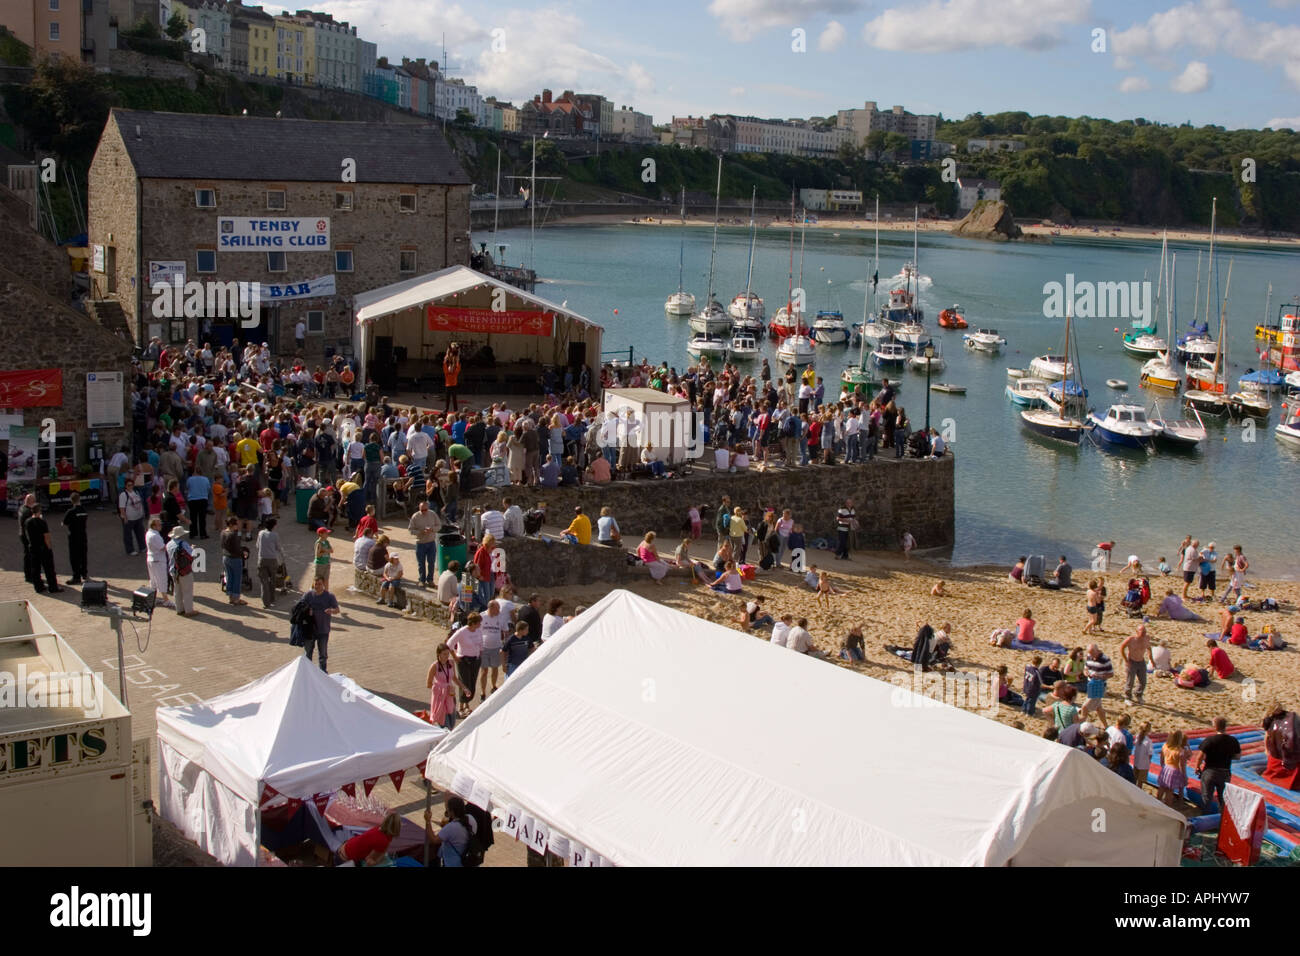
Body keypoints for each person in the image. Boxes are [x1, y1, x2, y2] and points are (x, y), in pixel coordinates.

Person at [1195, 717, 1242, 814]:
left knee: (1206, 797)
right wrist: (1227, 756)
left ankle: (1205, 819)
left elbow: (1200, 756)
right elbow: (1237, 757)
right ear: (1225, 726)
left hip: (1210, 771)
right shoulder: (1233, 741)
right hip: (1224, 772)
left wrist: (1197, 766)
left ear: (1215, 727)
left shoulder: (1209, 740)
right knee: (1223, 798)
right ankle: (1221, 821)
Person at [300, 576, 340, 672]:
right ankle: (308, 672)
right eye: (315, 584)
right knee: (308, 653)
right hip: (310, 630)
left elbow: (337, 610)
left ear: (324, 585)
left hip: (323, 630)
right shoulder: (308, 595)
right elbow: (299, 607)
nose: (317, 586)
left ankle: (322, 673)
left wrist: (331, 610)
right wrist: (306, 611)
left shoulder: (330, 596)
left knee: (323, 654)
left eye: (319, 584)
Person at [425, 796, 478, 868]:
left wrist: (428, 821)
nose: (447, 813)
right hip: (468, 861)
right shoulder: (471, 819)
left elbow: (434, 840)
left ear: (452, 812)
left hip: (453, 863)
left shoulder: (451, 828)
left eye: (448, 810)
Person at [448, 612, 484, 717]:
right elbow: (449, 644)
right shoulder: (462, 632)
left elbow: (481, 643)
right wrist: (455, 657)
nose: (480, 625)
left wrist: (480, 654)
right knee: (465, 682)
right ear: (473, 623)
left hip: (475, 659)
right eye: (478, 623)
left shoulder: (478, 631)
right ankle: (461, 705)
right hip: (464, 660)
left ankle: (467, 703)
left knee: (472, 683)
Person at [427, 642, 469, 730]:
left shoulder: (451, 663)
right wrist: (440, 688)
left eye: (448, 654)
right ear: (439, 654)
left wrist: (464, 688)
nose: (447, 656)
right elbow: (429, 684)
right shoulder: (434, 666)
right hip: (440, 698)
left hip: (450, 695)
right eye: (444, 654)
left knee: (452, 721)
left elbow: (454, 677)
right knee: (444, 724)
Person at [24, 504, 62, 594]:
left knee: (35, 568)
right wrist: (49, 548)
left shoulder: (27, 521)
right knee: (49, 568)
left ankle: (38, 587)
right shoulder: (42, 522)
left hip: (33, 547)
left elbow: (26, 535)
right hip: (43, 548)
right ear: (39, 511)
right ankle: (53, 587)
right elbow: (46, 536)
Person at [408, 500, 441, 587]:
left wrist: (432, 529)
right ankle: (421, 580)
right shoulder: (415, 516)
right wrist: (420, 532)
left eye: (425, 510)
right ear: (419, 509)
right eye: (422, 510)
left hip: (431, 543)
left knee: (431, 562)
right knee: (421, 563)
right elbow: (411, 530)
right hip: (420, 543)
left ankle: (430, 580)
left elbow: (439, 526)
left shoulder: (432, 514)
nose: (424, 512)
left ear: (428, 508)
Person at [166, 526, 197, 616]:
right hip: (184, 570)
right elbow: (192, 554)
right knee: (187, 591)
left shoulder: (168, 544)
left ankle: (179, 609)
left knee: (177, 590)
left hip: (173, 571)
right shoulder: (183, 544)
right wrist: (193, 548)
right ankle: (189, 610)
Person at [1118, 623, 1152, 705]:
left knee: (1143, 681)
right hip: (1132, 661)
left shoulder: (1146, 639)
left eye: (1145, 631)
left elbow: (1149, 648)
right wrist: (1126, 660)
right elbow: (1122, 647)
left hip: (1141, 661)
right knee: (1130, 681)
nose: (1144, 633)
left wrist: (1151, 659)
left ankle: (1138, 694)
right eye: (1142, 631)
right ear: (1137, 631)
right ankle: (1127, 697)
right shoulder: (1131, 639)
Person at [478, 601, 506, 699]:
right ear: (491, 608)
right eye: (497, 608)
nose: (499, 611)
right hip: (484, 648)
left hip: (496, 647)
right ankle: (483, 692)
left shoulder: (500, 617)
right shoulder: (481, 616)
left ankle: (493, 686)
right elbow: (477, 631)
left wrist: (504, 644)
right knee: (484, 671)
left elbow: (505, 630)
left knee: (495, 668)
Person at [61, 492, 89, 585]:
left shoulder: (71, 511)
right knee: (83, 555)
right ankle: (84, 574)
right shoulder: (84, 510)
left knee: (74, 557)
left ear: (71, 501)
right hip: (83, 535)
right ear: (79, 499)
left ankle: (76, 577)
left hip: (74, 536)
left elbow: (64, 523)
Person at [256, 518, 284, 609]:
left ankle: (266, 601)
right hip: (272, 559)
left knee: (264, 581)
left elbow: (257, 545)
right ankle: (272, 597)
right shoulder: (275, 535)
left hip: (262, 559)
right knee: (272, 579)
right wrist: (282, 554)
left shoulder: (261, 533)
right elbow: (278, 547)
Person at [1082, 643, 1112, 726]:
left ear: (1097, 651)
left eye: (1092, 653)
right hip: (1090, 684)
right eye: (1090, 653)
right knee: (1099, 707)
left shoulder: (1105, 659)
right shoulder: (1088, 656)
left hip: (1100, 685)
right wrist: (1086, 673)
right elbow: (1086, 668)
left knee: (1084, 707)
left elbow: (1111, 674)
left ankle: (1080, 725)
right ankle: (1106, 725)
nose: (1091, 655)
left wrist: (1100, 676)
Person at [1156, 729, 1189, 806]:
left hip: (1166, 768)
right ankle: (1168, 805)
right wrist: (1184, 776)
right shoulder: (1180, 751)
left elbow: (1161, 759)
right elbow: (1182, 765)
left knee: (1161, 787)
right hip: (1174, 770)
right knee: (1170, 791)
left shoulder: (1165, 746)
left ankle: (1157, 801)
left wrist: (1163, 766)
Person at [119, 477, 147, 555]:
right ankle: (130, 550)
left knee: (140, 533)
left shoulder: (136, 492)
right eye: (129, 485)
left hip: (138, 517)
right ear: (125, 486)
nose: (130, 487)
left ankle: (142, 547)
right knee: (128, 535)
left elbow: (140, 503)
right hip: (129, 518)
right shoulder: (123, 495)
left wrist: (143, 513)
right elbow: (122, 507)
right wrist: (124, 517)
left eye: (132, 485)